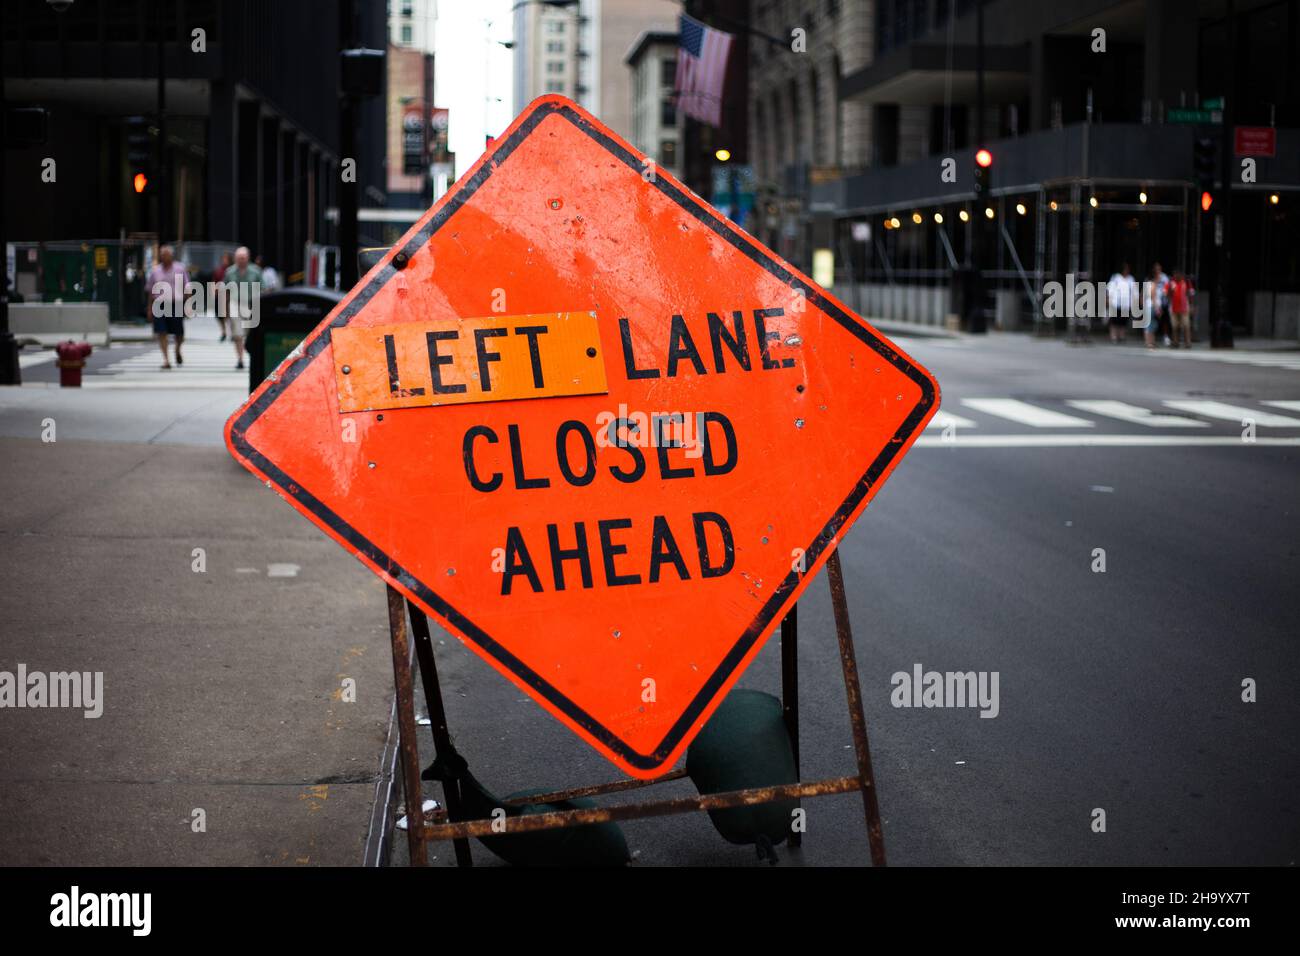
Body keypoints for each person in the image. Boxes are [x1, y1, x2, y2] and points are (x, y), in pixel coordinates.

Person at [146, 245, 189, 369]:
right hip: (159, 304)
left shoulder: (180, 268)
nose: (164, 257)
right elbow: (150, 290)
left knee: (179, 333)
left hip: (176, 303)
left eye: (167, 255)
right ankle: (166, 360)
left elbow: (187, 287)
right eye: (162, 255)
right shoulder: (156, 271)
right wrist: (149, 308)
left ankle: (177, 349)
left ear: (171, 256)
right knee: (161, 331)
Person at [225, 246, 262, 370]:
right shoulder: (229, 272)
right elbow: (226, 291)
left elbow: (264, 288)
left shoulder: (256, 271)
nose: (241, 260)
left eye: (243, 258)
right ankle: (240, 359)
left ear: (248, 258)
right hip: (235, 304)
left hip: (252, 305)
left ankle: (252, 356)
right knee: (237, 334)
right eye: (239, 258)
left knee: (250, 334)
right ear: (235, 259)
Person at [1105, 263, 1139, 343]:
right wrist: (1107, 299)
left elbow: (1135, 292)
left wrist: (1135, 301)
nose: (1127, 271)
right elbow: (1110, 289)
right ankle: (1113, 336)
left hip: (1126, 304)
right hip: (1116, 303)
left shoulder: (1131, 279)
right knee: (1114, 320)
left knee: (1123, 321)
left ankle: (1121, 336)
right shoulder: (1116, 278)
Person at [1168, 270, 1195, 348]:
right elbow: (1168, 295)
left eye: (1177, 274)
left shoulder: (1186, 282)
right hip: (1173, 308)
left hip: (1184, 308)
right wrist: (1170, 288)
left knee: (1186, 326)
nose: (1176, 276)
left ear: (1181, 275)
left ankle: (1188, 343)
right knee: (1175, 326)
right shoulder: (1171, 283)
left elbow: (1191, 294)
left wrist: (1192, 305)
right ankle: (1175, 342)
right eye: (1174, 274)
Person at [1150, 261, 1171, 347]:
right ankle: (1152, 339)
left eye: (1159, 268)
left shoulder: (1164, 277)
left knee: (1164, 320)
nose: (1157, 270)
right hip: (1153, 302)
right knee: (1153, 321)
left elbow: (1167, 288)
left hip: (1163, 301)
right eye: (1156, 268)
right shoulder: (1150, 278)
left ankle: (1165, 336)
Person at [212, 252, 232, 342]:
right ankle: (224, 332)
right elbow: (214, 282)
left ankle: (231, 332)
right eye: (223, 259)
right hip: (219, 295)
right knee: (219, 315)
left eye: (226, 259)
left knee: (230, 315)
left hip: (230, 296)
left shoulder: (232, 270)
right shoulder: (218, 270)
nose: (225, 261)